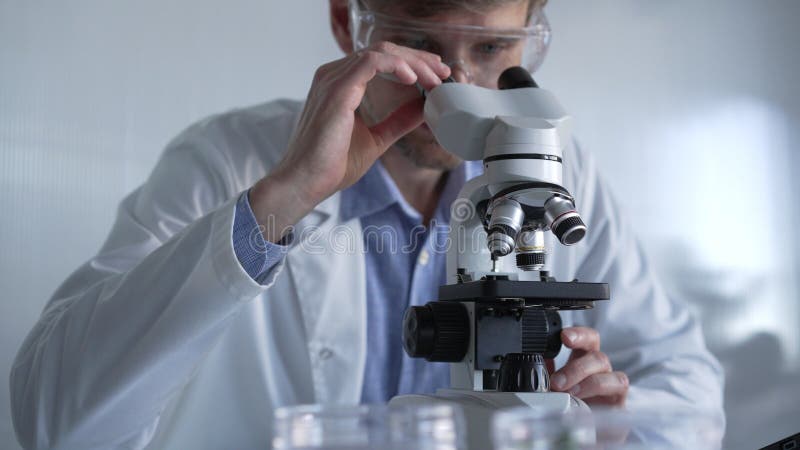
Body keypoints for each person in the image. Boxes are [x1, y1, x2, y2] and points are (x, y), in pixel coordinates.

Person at [10, 0, 725, 448]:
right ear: (345, 22)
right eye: (421, 43)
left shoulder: (558, 175)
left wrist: (610, 419)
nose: (458, 85)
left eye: (491, 50)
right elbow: (55, 423)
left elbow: (690, 389)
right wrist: (285, 198)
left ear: (533, 41)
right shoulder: (229, 161)